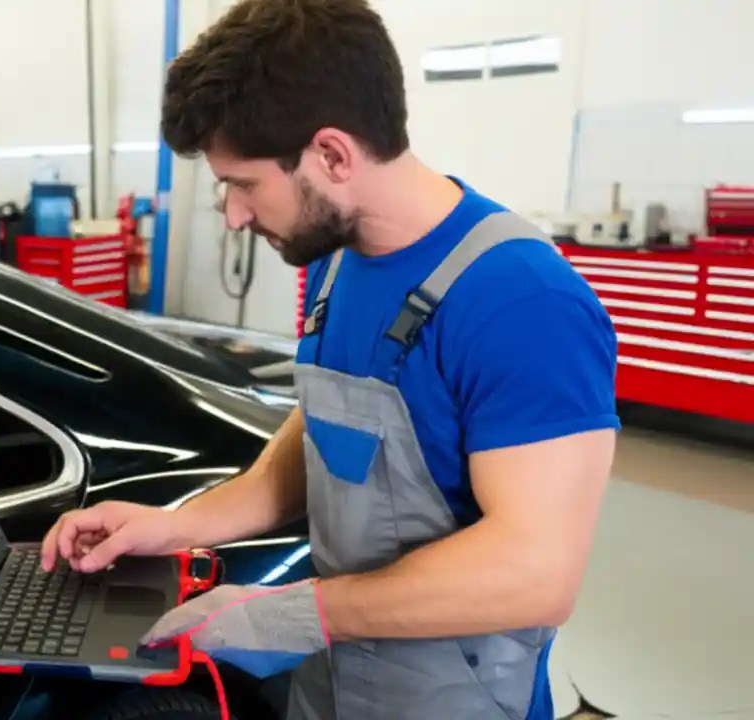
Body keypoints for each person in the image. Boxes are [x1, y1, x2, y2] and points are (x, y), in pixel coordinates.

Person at [39, 0, 620, 718]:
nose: (233, 215)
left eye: (242, 184)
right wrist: (178, 525)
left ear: (333, 155)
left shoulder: (522, 301)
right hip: (335, 682)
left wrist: (292, 616)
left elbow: (535, 573)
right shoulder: (339, 264)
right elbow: (327, 429)